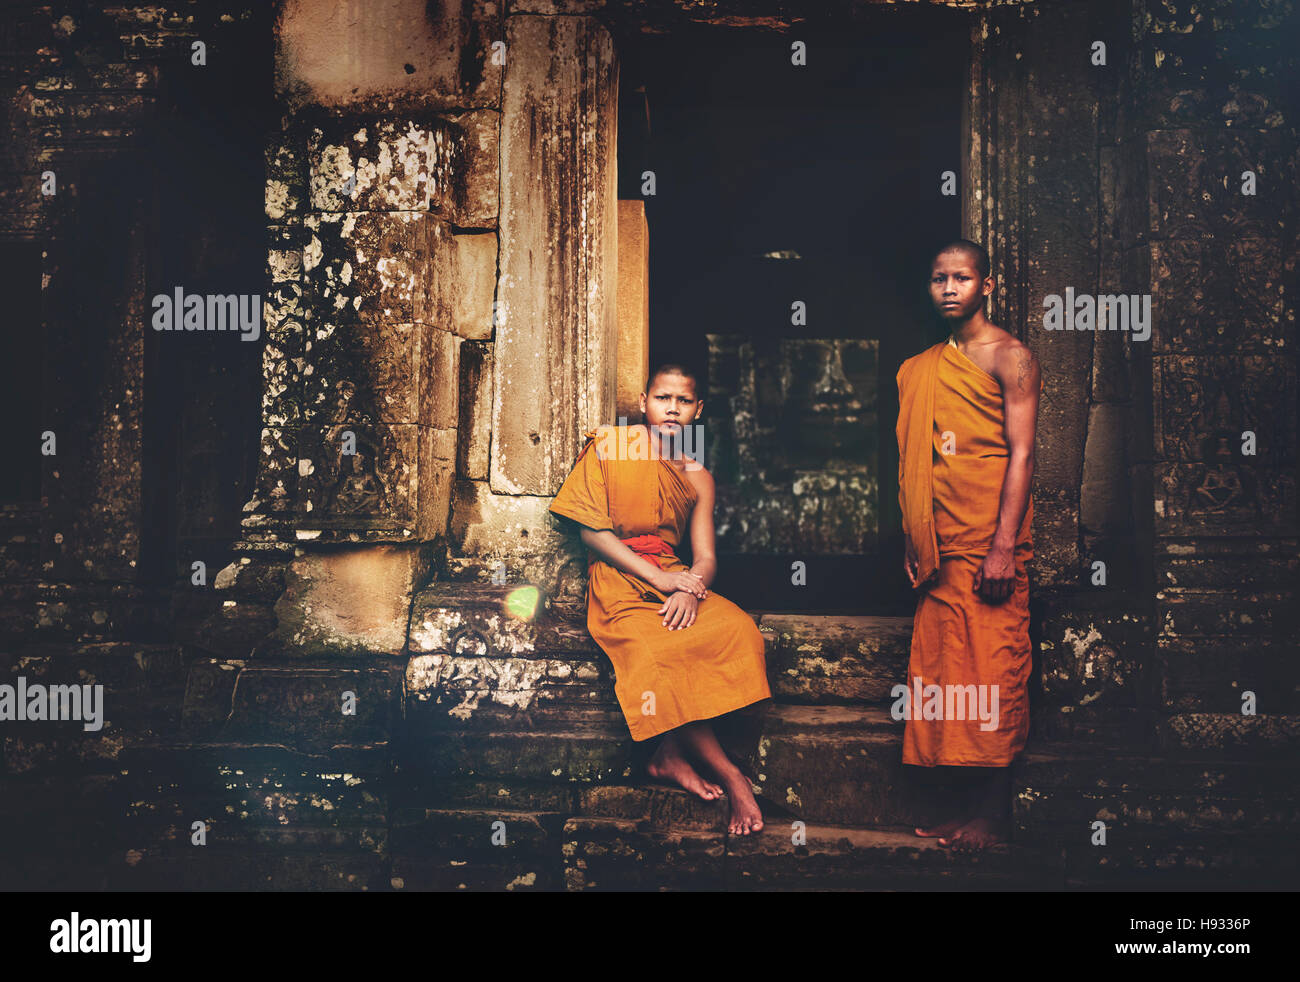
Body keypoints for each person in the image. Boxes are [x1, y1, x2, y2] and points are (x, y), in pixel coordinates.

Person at [547, 365, 771, 835]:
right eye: (663, 397)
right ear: (644, 401)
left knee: (737, 630)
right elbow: (592, 532)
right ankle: (732, 776)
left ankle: (667, 755)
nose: (672, 408)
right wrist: (659, 580)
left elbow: (706, 557)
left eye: (684, 400)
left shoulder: (697, 475)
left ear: (698, 409)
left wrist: (689, 586)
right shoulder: (612, 446)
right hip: (619, 574)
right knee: (660, 652)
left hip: (673, 574)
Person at [896, 239, 1041, 852]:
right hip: (940, 545)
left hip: (988, 539)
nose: (949, 288)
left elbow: (1023, 453)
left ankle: (994, 811)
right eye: (938, 279)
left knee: (993, 668)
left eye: (961, 277)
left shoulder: (1012, 357)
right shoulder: (917, 367)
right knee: (945, 675)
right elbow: (912, 462)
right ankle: (962, 807)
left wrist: (1003, 544)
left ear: (986, 284)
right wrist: (913, 534)